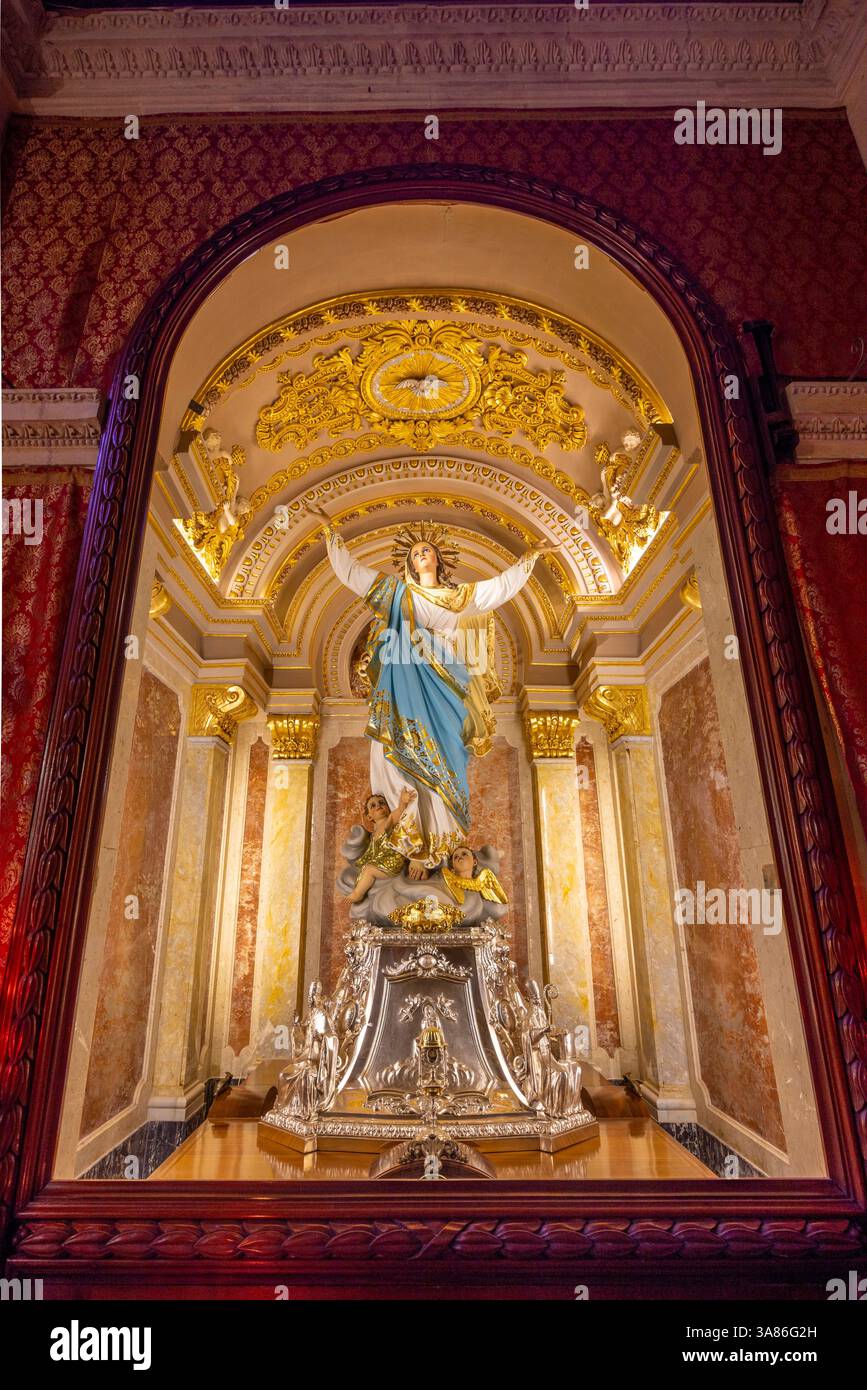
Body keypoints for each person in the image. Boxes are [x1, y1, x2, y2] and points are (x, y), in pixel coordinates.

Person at [307, 501, 560, 871]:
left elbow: (499, 589)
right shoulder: (397, 595)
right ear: (410, 565)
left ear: (439, 560)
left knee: (446, 761)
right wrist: (331, 532)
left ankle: (440, 843)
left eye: (427, 551)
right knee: (392, 751)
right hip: (404, 682)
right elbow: (354, 575)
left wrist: (531, 557)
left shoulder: (459, 599)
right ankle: (408, 837)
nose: (422, 554)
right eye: (415, 553)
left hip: (446, 687)